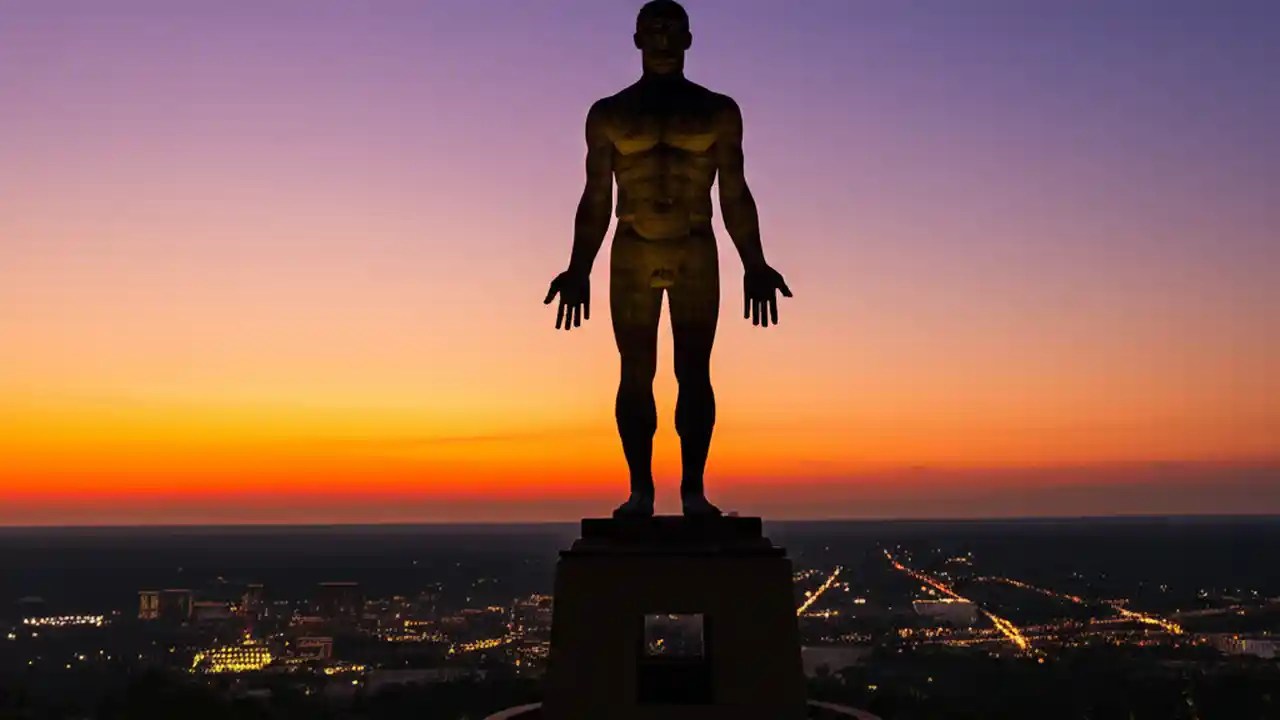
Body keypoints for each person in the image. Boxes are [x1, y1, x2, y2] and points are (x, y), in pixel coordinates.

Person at [544, 0, 791, 518]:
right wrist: (578, 267)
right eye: (652, 29)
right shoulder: (608, 114)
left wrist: (755, 262)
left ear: (688, 39)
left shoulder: (718, 111)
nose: (661, 37)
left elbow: (736, 193)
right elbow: (595, 198)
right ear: (636, 40)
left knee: (694, 371)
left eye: (671, 28)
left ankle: (694, 491)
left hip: (695, 246)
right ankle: (640, 491)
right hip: (632, 247)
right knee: (635, 371)